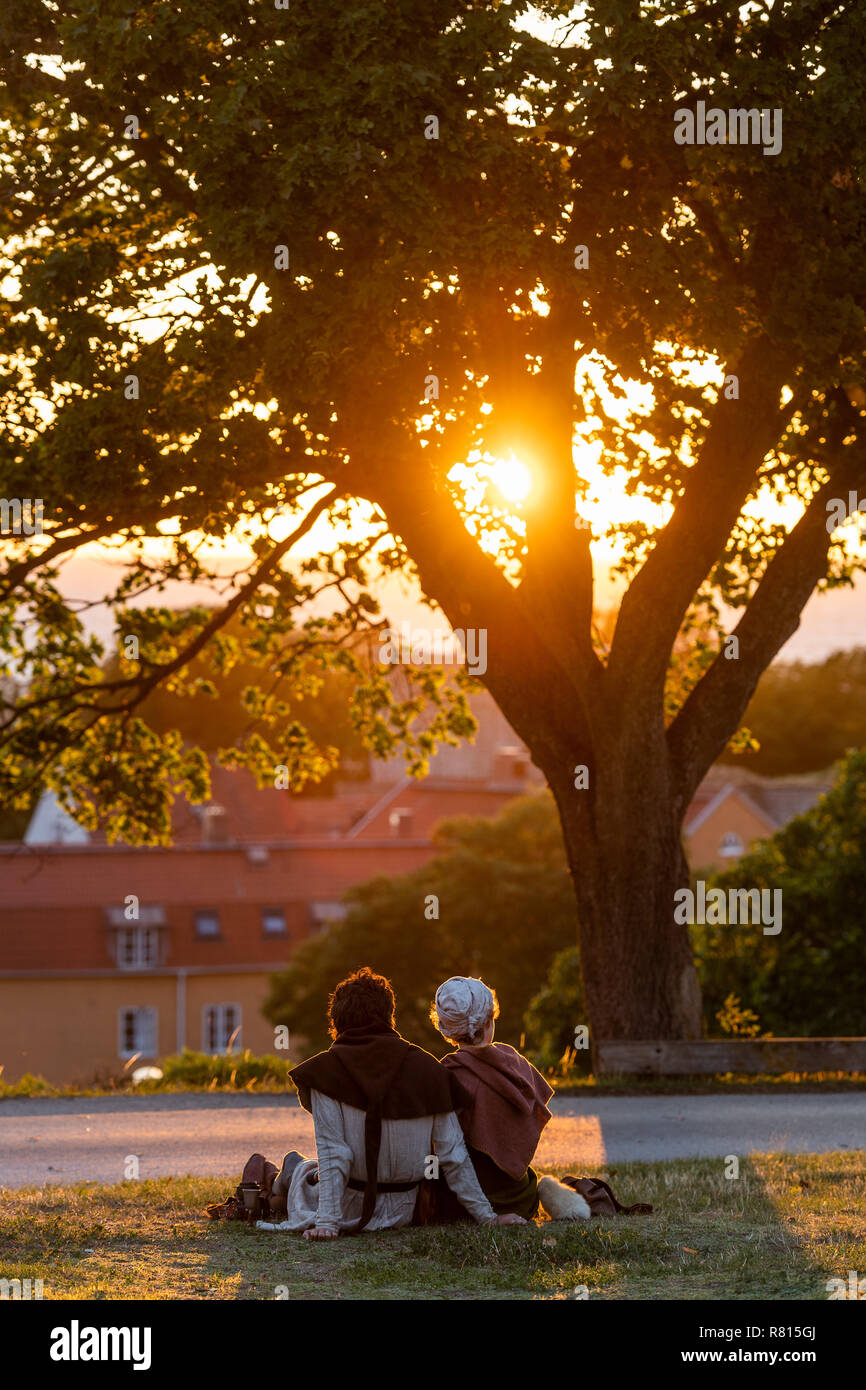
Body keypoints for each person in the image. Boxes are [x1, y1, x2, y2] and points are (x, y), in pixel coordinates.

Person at [258, 966, 526, 1238]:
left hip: (348, 1209)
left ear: (337, 1022)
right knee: (304, 1170)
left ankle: (271, 1180)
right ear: (389, 1016)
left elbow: (334, 1154)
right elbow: (453, 1156)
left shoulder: (325, 1072)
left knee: (300, 1167)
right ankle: (275, 1183)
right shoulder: (429, 1070)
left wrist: (327, 1224)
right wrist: (487, 1217)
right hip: (404, 1212)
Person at [431, 975, 574, 1221]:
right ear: (489, 1021)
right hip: (521, 1199)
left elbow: (445, 1155)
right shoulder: (515, 1064)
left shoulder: (447, 1076)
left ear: (446, 1029)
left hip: (463, 1206)